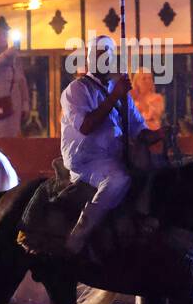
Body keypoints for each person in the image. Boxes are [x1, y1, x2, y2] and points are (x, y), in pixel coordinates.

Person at [59, 35, 162, 255]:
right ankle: (79, 234)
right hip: (87, 161)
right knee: (118, 180)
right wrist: (114, 96)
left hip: (115, 156)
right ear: (89, 61)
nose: (105, 60)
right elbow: (86, 126)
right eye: (99, 56)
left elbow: (137, 128)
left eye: (109, 57)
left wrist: (158, 134)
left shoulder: (119, 90)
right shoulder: (76, 90)